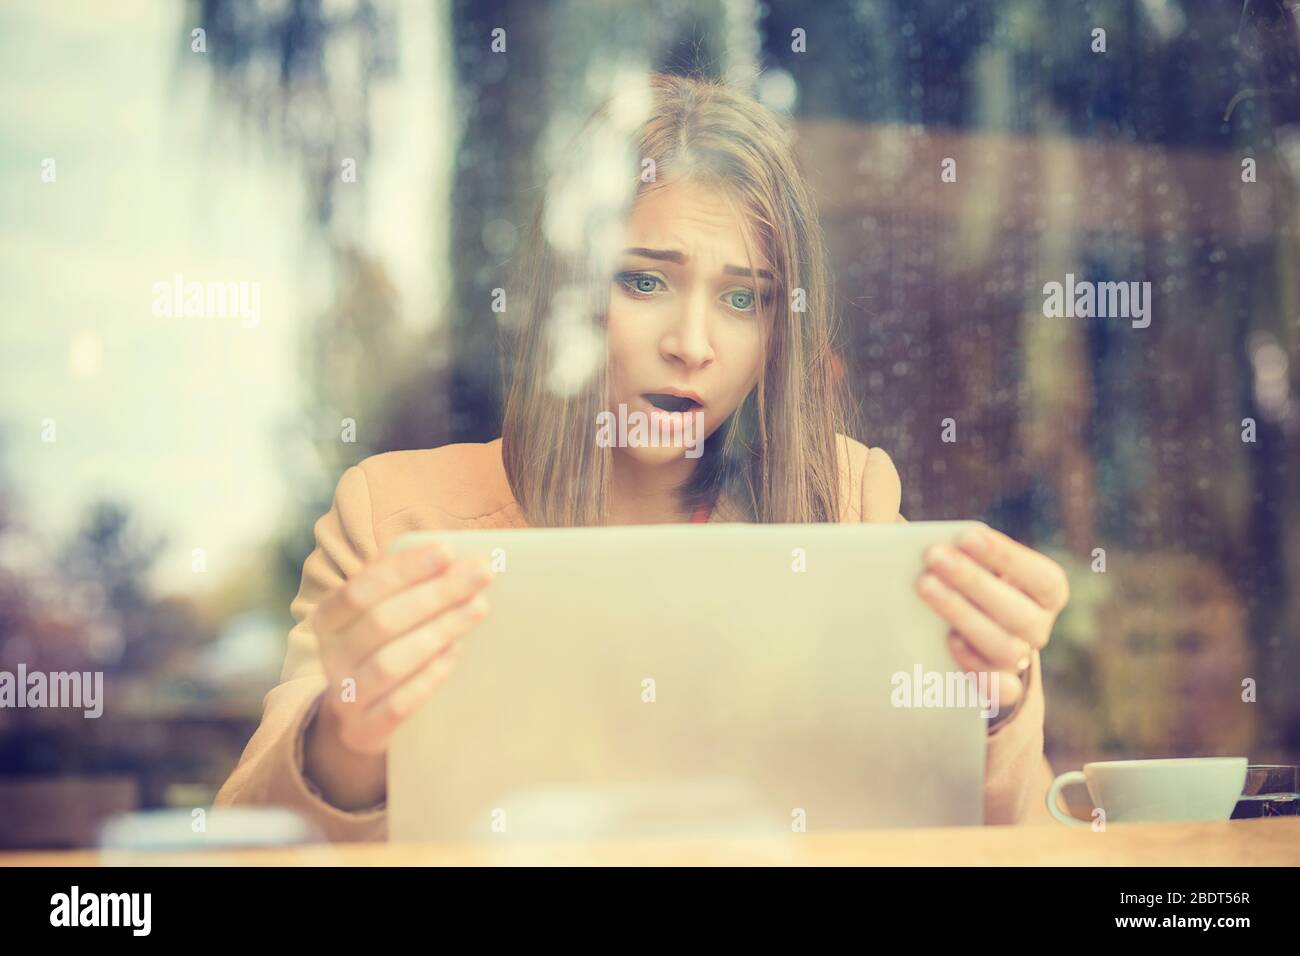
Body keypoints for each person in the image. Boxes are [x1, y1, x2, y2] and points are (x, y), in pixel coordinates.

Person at [215, 72, 1068, 841]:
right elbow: (245, 844)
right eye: (644, 281)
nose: (692, 344)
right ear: (566, 293)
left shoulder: (845, 501)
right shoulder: (398, 516)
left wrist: (990, 704)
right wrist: (344, 741)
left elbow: (999, 834)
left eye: (743, 299)